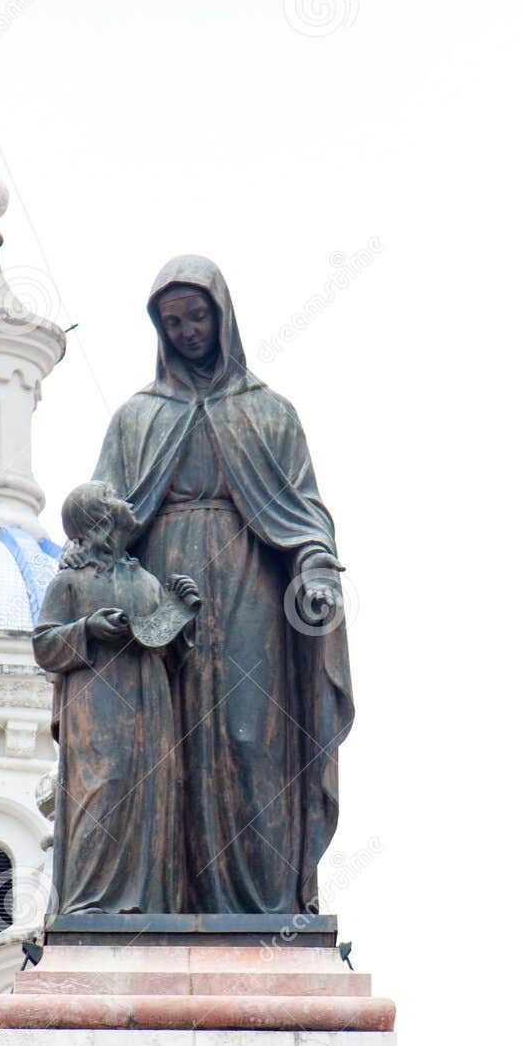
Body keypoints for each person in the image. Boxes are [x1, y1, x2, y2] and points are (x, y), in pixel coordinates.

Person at [93, 255, 354, 914]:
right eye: (171, 321)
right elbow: (97, 519)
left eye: (197, 316)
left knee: (249, 738)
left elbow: (305, 511)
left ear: (223, 316)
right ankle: (163, 904)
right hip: (159, 593)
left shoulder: (269, 413)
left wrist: (316, 569)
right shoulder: (135, 418)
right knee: (164, 749)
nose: (185, 331)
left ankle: (264, 911)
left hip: (249, 591)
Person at [32, 481, 200, 914]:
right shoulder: (68, 582)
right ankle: (88, 903)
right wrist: (87, 628)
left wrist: (180, 612)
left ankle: (150, 904)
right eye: (109, 495)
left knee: (149, 790)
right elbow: (44, 645)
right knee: (103, 788)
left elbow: (166, 646)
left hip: (149, 698)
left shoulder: (145, 579)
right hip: (96, 698)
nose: (121, 498)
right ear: (96, 519)